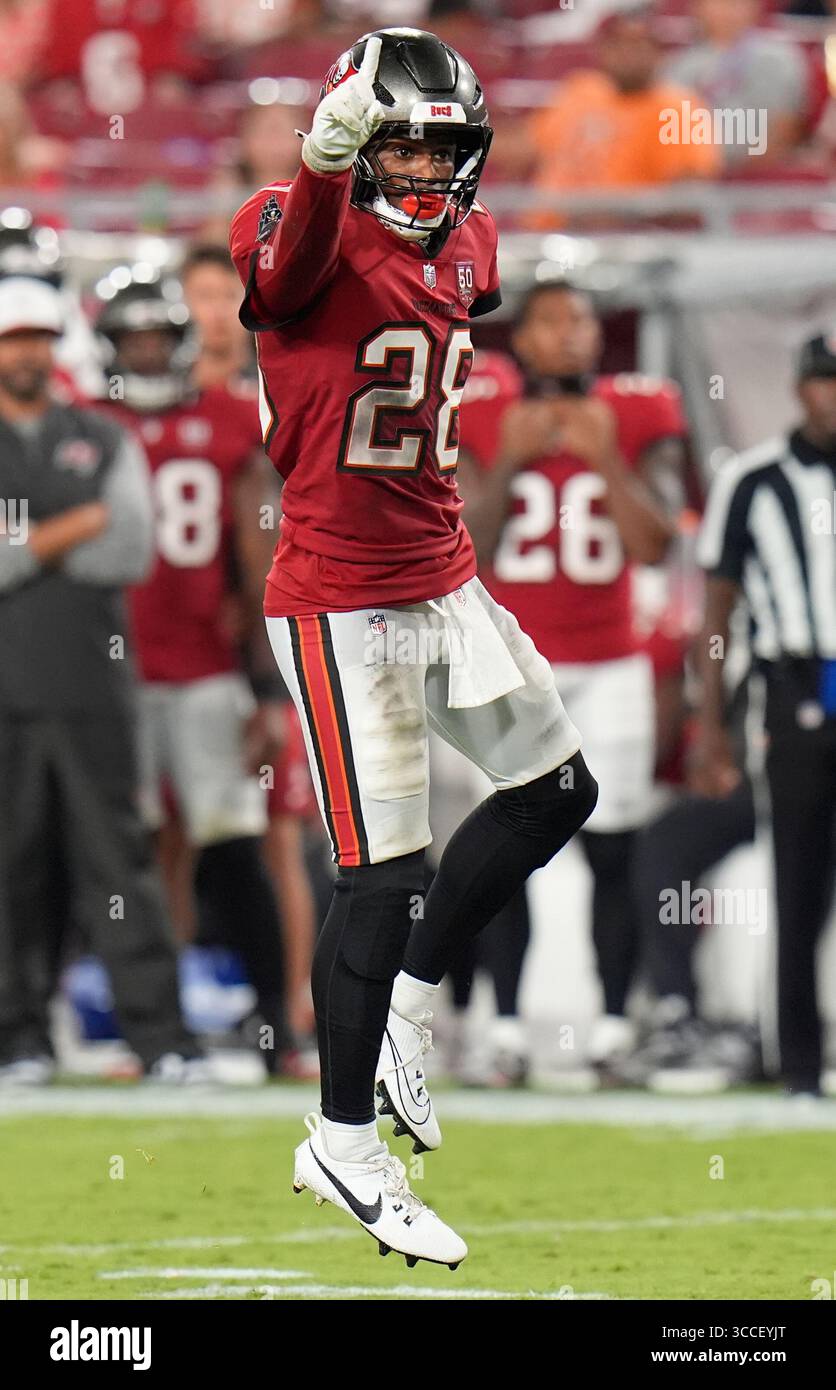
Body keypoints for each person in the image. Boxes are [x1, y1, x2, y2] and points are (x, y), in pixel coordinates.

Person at [230, 27, 597, 1268]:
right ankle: (339, 1138)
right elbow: (287, 282)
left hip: (444, 579)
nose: (427, 165)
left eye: (444, 143)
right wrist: (330, 156)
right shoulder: (287, 220)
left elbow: (443, 271)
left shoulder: (471, 246)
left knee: (556, 788)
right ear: (350, 139)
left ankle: (410, 1005)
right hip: (341, 598)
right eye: (400, 139)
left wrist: (374, 155)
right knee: (378, 873)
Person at [457, 283, 685, 1075]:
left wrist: (605, 458)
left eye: (582, 318)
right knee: (508, 848)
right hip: (515, 664)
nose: (569, 334)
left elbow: (656, 544)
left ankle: (618, 1026)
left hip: (612, 661)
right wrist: (513, 460)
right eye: (551, 319)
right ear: (522, 338)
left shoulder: (638, 410)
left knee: (614, 849)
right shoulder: (483, 412)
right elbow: (464, 548)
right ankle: (510, 1028)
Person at [0, 274, 204, 1081]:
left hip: (94, 686)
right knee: (10, 866)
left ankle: (161, 1039)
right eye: (15, 339)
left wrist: (26, 539)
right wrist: (72, 525)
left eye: (40, 339)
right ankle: (18, 1038)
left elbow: (129, 549)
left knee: (122, 865)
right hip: (6, 690)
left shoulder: (103, 435)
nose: (29, 354)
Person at [96, 275, 297, 1077]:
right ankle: (149, 1031)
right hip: (114, 673)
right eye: (131, 339)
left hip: (209, 669)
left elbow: (259, 567)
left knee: (234, 845)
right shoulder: (90, 424)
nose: (145, 352)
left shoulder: (225, 423)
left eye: (156, 337)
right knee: (133, 859)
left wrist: (268, 687)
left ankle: (280, 1028)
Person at [694, 332, 836, 1097]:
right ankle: (800, 1068)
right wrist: (712, 725)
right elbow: (716, 608)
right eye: (826, 383)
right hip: (799, 688)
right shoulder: (752, 479)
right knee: (797, 879)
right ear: (801, 388)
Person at [525, 6, 719, 227]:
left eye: (638, 45)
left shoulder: (679, 106)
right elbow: (529, 146)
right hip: (544, 235)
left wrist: (625, 215)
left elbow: (688, 194)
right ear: (602, 50)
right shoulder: (579, 90)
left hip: (626, 241)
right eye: (617, 44)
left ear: (658, 53)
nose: (627, 54)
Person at [666, 0, 808, 167]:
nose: (728, 11)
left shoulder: (779, 58)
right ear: (699, 8)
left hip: (760, 178)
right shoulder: (679, 66)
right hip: (696, 177)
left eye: (736, 3)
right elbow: (672, 134)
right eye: (719, 3)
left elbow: (785, 128)